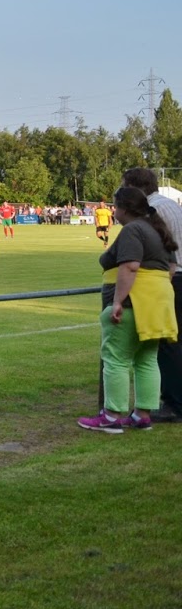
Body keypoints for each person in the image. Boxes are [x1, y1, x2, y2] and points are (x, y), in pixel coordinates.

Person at [79, 186, 179, 432]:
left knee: (116, 359)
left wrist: (118, 301)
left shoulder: (133, 229)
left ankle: (112, 416)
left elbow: (131, 266)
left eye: (115, 206)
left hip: (133, 303)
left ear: (124, 208)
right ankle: (142, 415)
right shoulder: (157, 229)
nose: (114, 211)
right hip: (156, 303)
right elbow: (171, 268)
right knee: (147, 359)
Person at [120, 168, 182, 422]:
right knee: (173, 342)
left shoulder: (153, 210)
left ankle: (174, 403)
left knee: (167, 345)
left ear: (134, 188)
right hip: (176, 274)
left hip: (170, 277)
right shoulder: (171, 204)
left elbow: (151, 249)